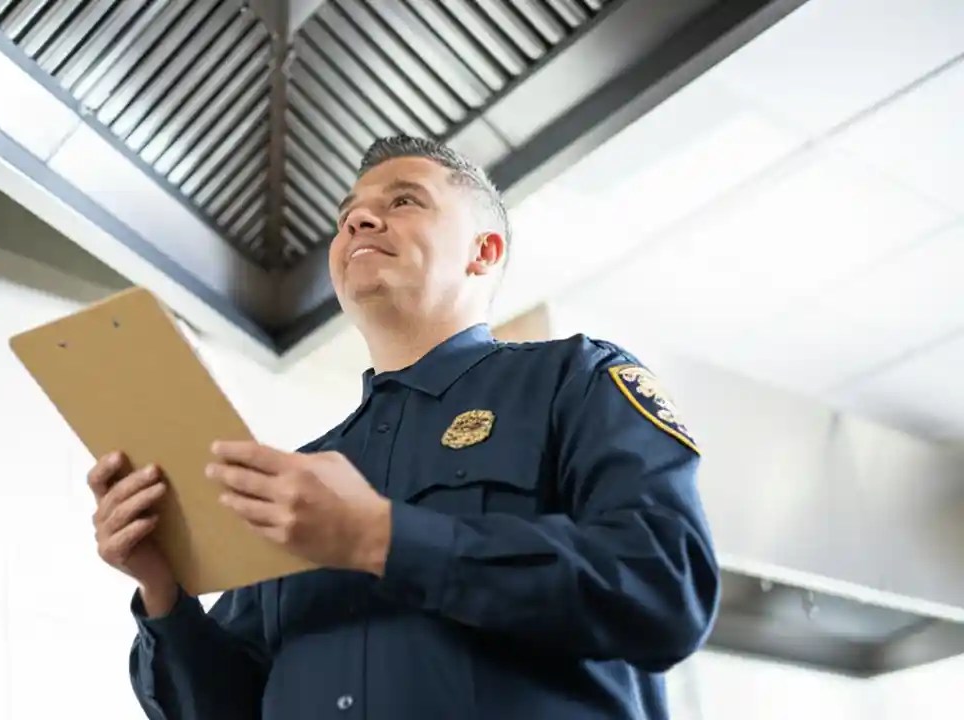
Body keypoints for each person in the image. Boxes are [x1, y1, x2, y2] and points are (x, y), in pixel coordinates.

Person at [88, 135, 721, 719]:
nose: (359, 220)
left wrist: (380, 536)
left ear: (484, 252)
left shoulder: (576, 381)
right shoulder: (296, 480)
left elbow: (665, 586)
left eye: (404, 200)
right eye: (348, 215)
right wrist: (164, 589)